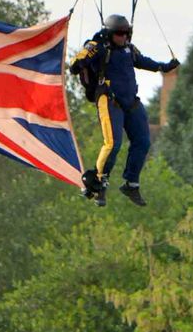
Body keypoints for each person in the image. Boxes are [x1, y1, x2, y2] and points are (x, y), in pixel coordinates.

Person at [70, 14, 179, 206]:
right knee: (113, 143)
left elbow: (143, 61)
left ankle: (131, 183)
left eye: (126, 33)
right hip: (109, 100)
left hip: (131, 102)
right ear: (111, 33)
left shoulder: (129, 48)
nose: (123, 37)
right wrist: (83, 60)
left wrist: (164, 66)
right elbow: (75, 64)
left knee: (143, 142)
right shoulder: (99, 46)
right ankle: (100, 180)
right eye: (119, 34)